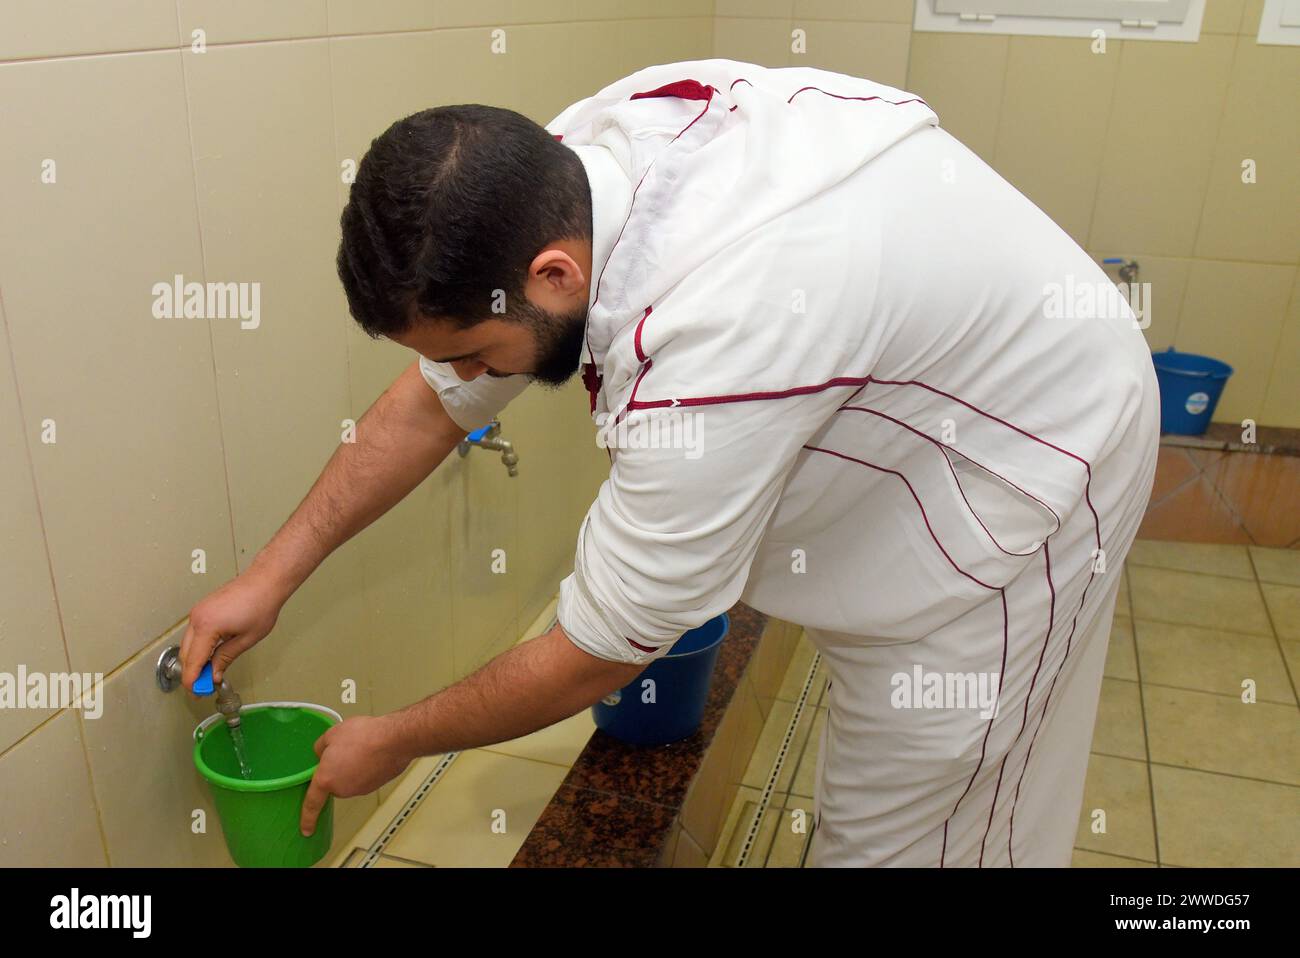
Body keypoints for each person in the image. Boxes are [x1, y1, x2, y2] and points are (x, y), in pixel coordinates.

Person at [181, 59, 1159, 866]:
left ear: (551, 276)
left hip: (1039, 450)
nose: (467, 380)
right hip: (939, 400)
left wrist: (391, 736)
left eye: (477, 350)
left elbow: (598, 652)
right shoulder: (572, 166)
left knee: (937, 825)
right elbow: (433, 398)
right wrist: (268, 578)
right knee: (881, 779)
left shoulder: (719, 330)